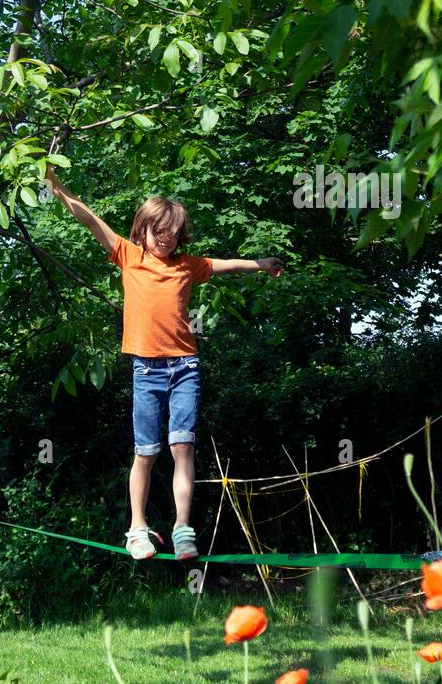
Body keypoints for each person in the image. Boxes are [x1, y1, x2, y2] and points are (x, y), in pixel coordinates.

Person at [45, 166, 283, 561]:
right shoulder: (128, 255)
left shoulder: (188, 266)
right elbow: (87, 217)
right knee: (146, 451)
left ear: (179, 235)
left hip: (185, 366)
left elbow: (225, 263)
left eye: (172, 232)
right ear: (143, 229)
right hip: (146, 369)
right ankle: (137, 529)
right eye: (158, 230)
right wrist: (55, 183)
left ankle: (182, 528)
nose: (165, 237)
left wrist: (260, 263)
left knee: (183, 447)